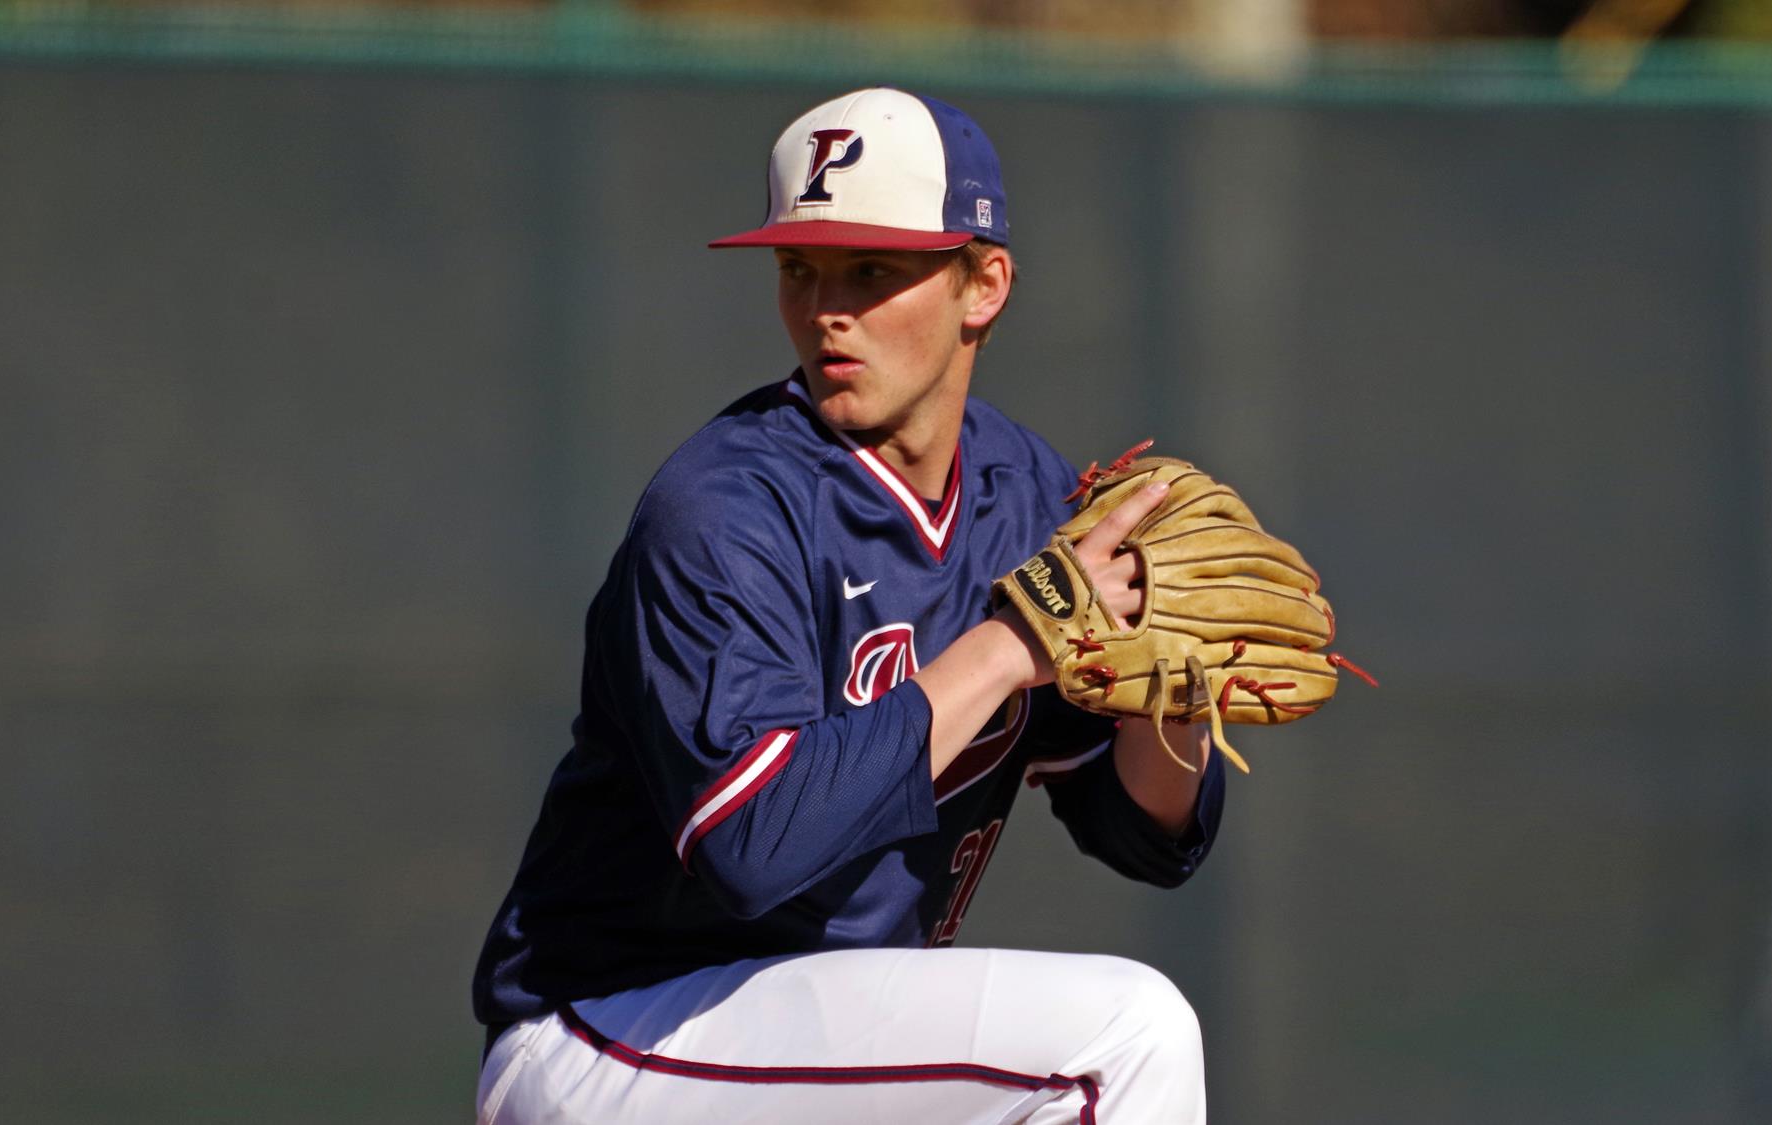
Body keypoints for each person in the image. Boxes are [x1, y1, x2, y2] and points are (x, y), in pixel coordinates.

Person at [471, 87, 1223, 1124]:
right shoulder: (725, 511)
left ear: (983, 284)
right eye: (799, 269)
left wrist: (1172, 694)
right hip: (616, 1031)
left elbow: (1138, 831)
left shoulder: (1023, 498)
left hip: (813, 1045)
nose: (826, 308)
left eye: (871, 271)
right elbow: (753, 849)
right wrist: (1009, 644)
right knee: (1124, 1037)